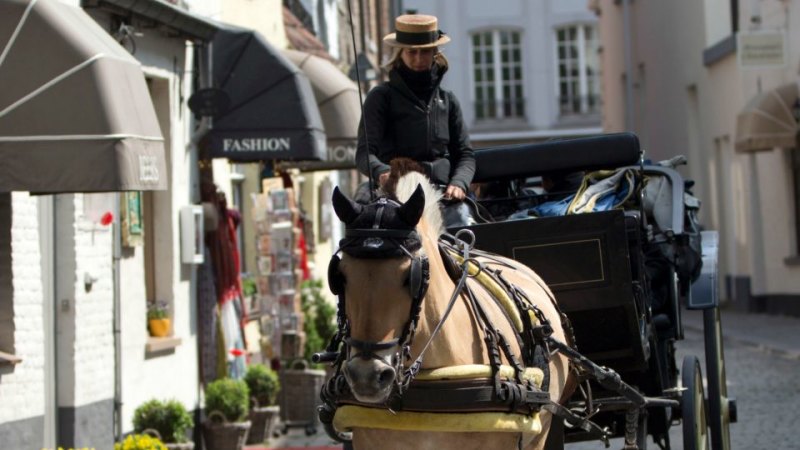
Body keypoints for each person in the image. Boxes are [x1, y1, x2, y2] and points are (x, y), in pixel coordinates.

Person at [355, 13, 475, 219]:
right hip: (394, 195)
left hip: (441, 196)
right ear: (400, 53)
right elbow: (364, 153)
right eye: (412, 52)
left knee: (464, 220)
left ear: (435, 53)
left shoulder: (448, 101)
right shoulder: (380, 98)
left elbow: (465, 154)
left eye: (425, 52)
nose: (418, 59)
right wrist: (382, 172)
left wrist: (459, 183)